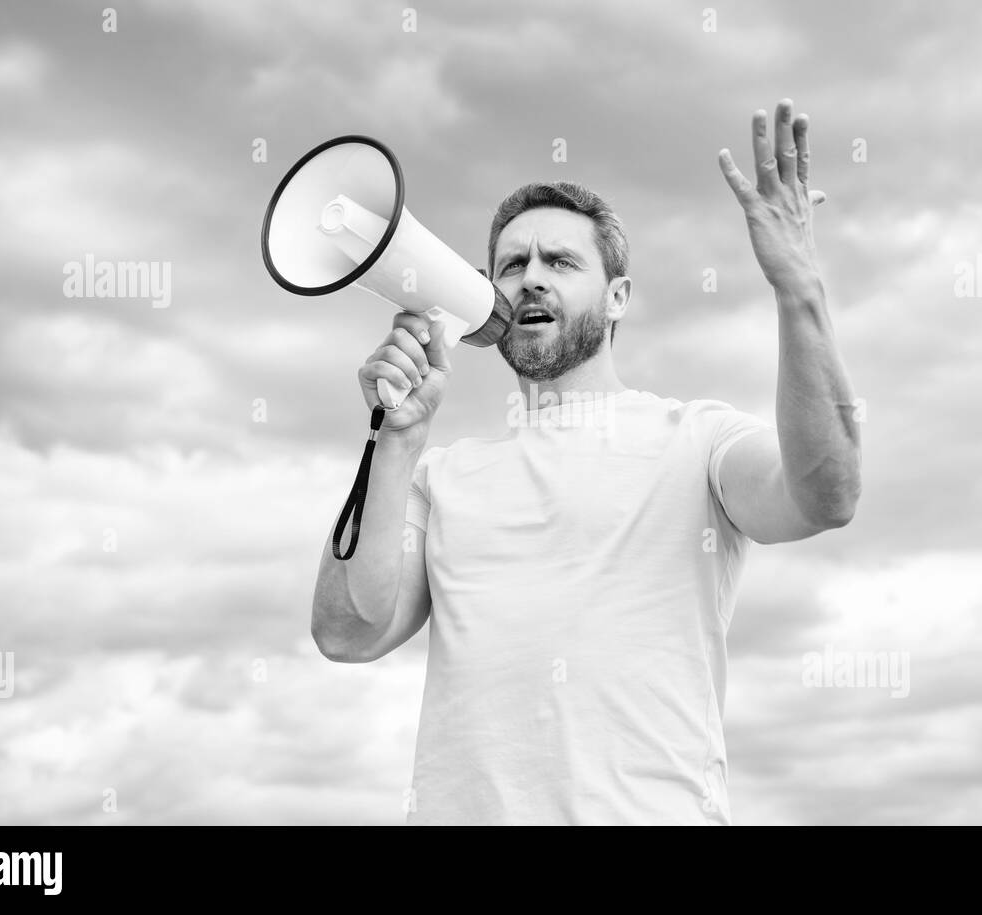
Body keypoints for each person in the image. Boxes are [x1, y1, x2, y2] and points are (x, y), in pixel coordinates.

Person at [311, 99, 862, 825]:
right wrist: (397, 438)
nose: (531, 278)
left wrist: (800, 292)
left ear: (617, 298)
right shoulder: (438, 475)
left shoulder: (697, 439)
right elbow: (346, 632)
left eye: (561, 261)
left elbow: (828, 494)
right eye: (511, 264)